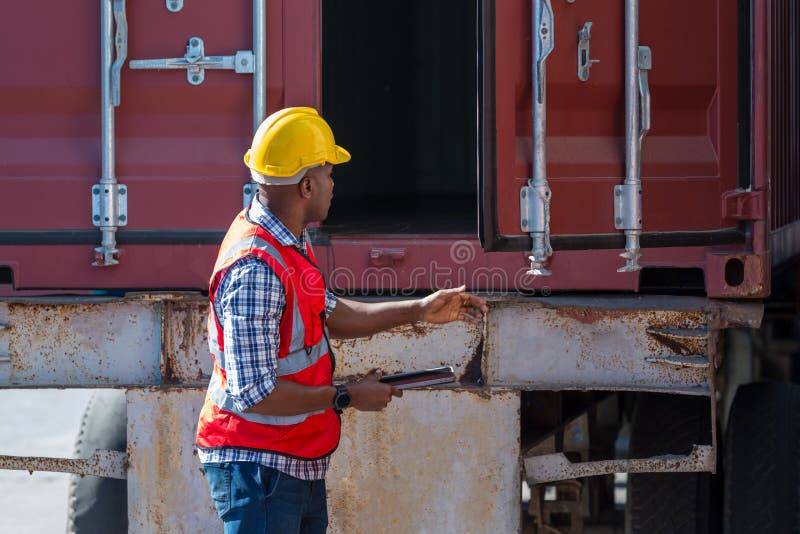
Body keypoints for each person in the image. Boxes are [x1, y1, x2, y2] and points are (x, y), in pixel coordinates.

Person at [196, 107, 488, 534]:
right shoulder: (255, 267)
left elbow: (328, 312)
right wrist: (346, 396)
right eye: (330, 173)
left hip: (290, 458)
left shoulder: (289, 239)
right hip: (259, 465)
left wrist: (417, 310)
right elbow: (253, 391)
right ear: (307, 185)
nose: (334, 184)